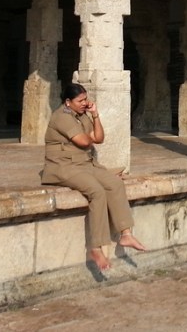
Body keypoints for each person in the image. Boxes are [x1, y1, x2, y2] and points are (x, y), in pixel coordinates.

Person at [41, 82, 146, 271]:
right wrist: (90, 136)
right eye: (80, 101)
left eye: (85, 99)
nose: (85, 103)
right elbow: (83, 140)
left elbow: (99, 138)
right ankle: (96, 247)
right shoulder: (61, 117)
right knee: (96, 191)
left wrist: (95, 115)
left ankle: (126, 234)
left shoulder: (83, 116)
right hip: (62, 166)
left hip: (85, 163)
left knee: (115, 183)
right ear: (68, 102)